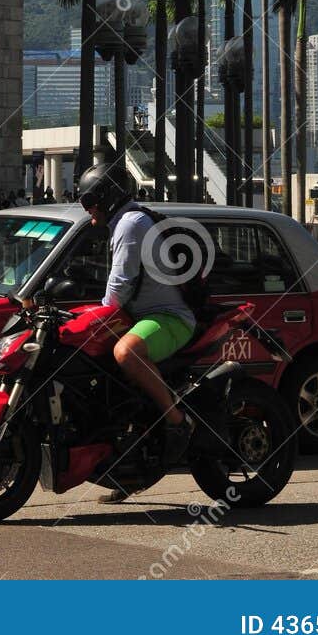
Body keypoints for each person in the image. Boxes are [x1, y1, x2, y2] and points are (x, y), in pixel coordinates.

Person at [77, 159, 195, 472]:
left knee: (126, 352)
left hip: (169, 318)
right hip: (141, 317)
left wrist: (97, 315)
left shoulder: (130, 223)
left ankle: (177, 421)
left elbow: (120, 285)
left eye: (89, 200)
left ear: (107, 197)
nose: (86, 207)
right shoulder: (125, 221)